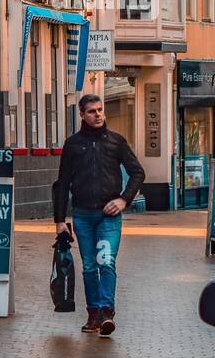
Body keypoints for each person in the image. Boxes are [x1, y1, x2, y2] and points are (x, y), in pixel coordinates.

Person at [52, 94, 145, 337]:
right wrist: (60, 221)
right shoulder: (73, 145)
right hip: (82, 216)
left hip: (108, 217)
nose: (98, 115)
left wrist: (124, 199)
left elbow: (137, 172)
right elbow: (62, 184)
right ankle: (93, 313)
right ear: (81, 115)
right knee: (90, 267)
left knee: (106, 261)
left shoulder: (116, 142)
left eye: (100, 110)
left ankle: (106, 312)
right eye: (92, 111)